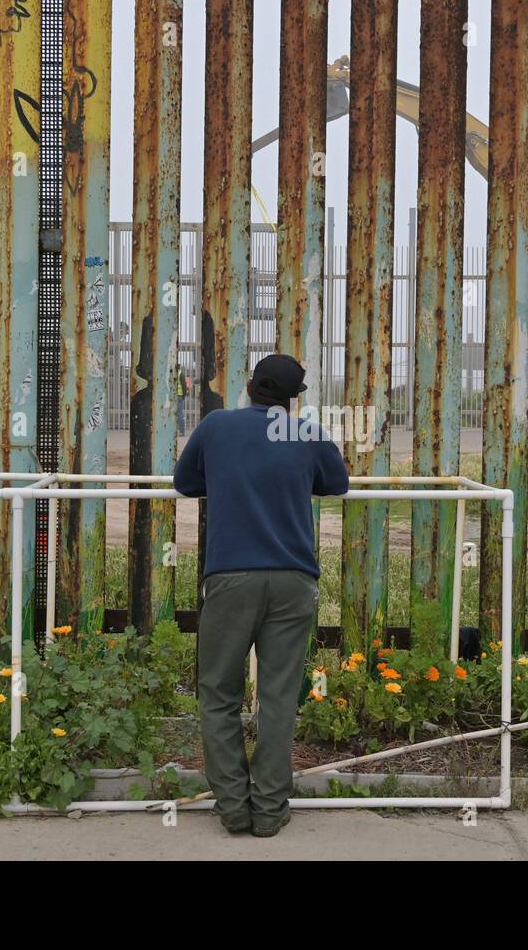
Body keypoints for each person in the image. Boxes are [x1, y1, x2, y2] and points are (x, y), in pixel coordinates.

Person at [173, 354, 349, 837]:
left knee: (217, 693)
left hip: (230, 578)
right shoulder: (306, 433)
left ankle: (233, 808)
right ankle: (270, 812)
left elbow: (185, 483)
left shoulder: (216, 426)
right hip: (294, 581)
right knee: (277, 699)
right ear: (296, 397)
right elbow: (337, 483)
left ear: (250, 385)